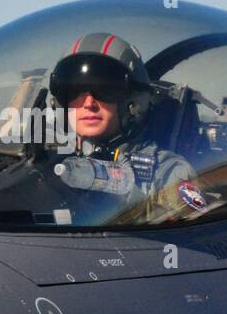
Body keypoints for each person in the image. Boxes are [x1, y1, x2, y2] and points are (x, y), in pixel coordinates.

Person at [48, 33, 200, 217]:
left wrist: (129, 197)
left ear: (133, 102)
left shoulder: (168, 171)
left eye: (105, 90)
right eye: (74, 92)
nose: (88, 103)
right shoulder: (51, 161)